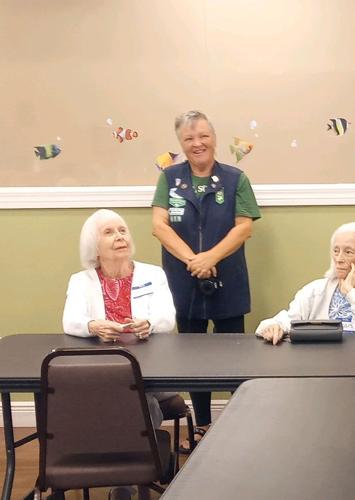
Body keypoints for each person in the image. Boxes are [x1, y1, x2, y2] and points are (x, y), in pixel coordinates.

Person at [151, 110, 262, 448]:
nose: (197, 143)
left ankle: (240, 427)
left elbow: (244, 226)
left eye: (203, 136)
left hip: (227, 277)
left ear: (214, 138)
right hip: (183, 280)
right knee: (194, 359)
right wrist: (193, 260)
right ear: (181, 144)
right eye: (189, 138)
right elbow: (159, 226)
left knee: (234, 356)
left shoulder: (235, 178)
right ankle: (201, 426)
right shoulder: (169, 179)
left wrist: (211, 257)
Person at [62, 209, 177, 427]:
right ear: (93, 246)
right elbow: (70, 320)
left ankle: (141, 449)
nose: (119, 236)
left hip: (151, 367)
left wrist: (149, 324)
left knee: (133, 390)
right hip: (101, 367)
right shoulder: (80, 281)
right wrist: (93, 326)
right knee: (115, 389)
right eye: (109, 232)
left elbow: (167, 317)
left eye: (123, 230)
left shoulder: (153, 274)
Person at [256, 222, 355, 344]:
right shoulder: (315, 290)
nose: (339, 259)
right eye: (336, 251)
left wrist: (351, 293)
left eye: (348, 252)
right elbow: (286, 320)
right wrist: (273, 326)